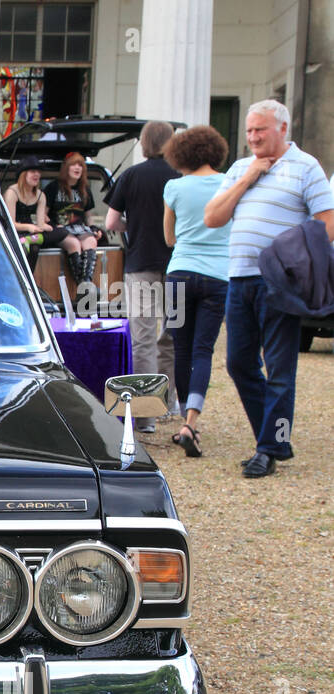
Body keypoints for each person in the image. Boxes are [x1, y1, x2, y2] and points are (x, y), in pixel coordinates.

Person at [204, 99, 334, 478]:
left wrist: (289, 256)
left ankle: (268, 447)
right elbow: (213, 217)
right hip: (239, 277)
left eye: (260, 130)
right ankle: (275, 439)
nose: (253, 137)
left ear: (282, 128)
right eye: (248, 131)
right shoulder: (241, 168)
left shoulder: (305, 167)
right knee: (238, 363)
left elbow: (327, 224)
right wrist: (248, 178)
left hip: (281, 282)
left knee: (279, 366)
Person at [160, 125, 232, 457]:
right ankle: (191, 421)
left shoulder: (174, 186)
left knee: (180, 348)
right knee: (204, 351)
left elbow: (169, 239)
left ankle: (183, 422)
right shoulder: (229, 183)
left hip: (179, 274)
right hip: (218, 276)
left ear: (181, 153)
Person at [105, 120, 181, 430]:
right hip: (177, 265)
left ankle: (146, 415)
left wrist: (130, 227)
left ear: (144, 143)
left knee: (143, 340)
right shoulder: (181, 176)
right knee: (173, 336)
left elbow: (111, 222)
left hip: (140, 265)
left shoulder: (131, 175)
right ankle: (169, 403)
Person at [43, 151, 105, 295]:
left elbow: (89, 216)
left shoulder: (85, 189)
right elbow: (43, 214)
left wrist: (93, 228)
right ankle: (86, 286)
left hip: (80, 228)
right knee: (74, 244)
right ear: (66, 168)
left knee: (91, 242)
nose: (78, 168)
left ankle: (85, 284)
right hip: (60, 229)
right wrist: (52, 225)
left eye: (81, 165)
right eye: (74, 165)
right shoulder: (53, 188)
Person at [3, 155, 49, 270]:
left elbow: (40, 224)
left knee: (60, 233)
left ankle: (29, 281)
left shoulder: (41, 195)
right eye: (33, 171)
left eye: (38, 171)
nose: (37, 174)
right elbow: (10, 224)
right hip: (14, 232)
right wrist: (29, 227)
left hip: (31, 234)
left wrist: (50, 227)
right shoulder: (12, 192)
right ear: (23, 174)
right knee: (31, 247)